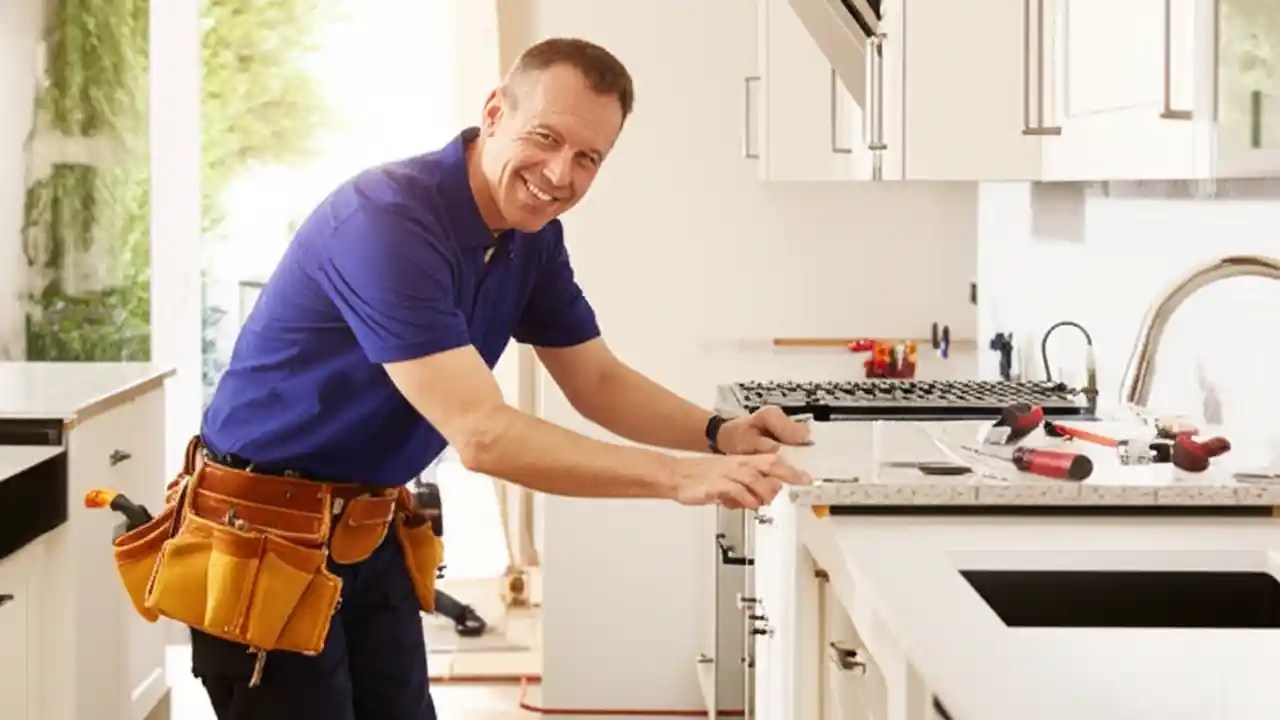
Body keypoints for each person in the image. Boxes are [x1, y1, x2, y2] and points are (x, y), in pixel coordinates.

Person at [188, 37, 812, 720]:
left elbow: (595, 380)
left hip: (367, 530)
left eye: (587, 159)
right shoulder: (387, 221)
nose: (559, 174)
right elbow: (483, 436)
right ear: (493, 112)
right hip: (262, 534)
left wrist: (719, 436)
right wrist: (676, 477)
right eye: (545, 137)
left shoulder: (531, 235)